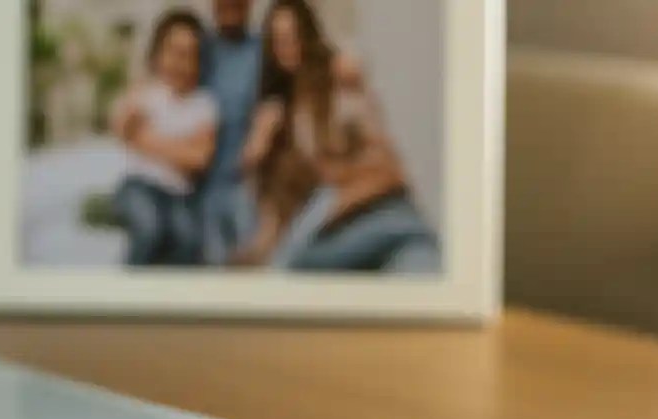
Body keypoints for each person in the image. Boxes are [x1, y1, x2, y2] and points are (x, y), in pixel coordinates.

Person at [234, 0, 440, 273]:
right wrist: (255, 151)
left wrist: (337, 198)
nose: (288, 48)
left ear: (309, 36)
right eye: (279, 41)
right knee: (287, 266)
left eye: (295, 37)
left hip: (383, 214)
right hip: (335, 235)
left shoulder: (339, 80)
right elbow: (267, 224)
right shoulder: (280, 115)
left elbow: (389, 169)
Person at [110, 11, 218, 266]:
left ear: (200, 62)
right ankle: (128, 292)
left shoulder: (203, 104)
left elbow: (199, 158)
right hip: (139, 184)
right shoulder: (149, 91)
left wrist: (145, 140)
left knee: (189, 239)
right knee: (149, 228)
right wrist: (177, 148)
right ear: (158, 53)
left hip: (179, 193)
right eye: (173, 52)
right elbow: (121, 128)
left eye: (189, 55)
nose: (179, 63)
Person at [198, 0, 263, 265]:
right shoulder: (200, 50)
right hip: (202, 190)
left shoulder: (263, 51)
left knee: (252, 273)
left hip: (248, 187)